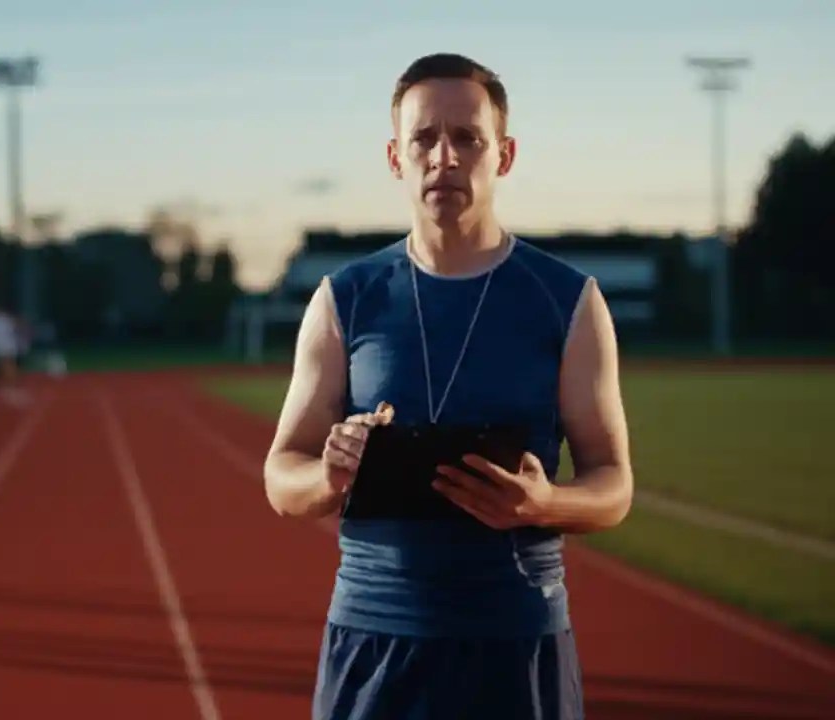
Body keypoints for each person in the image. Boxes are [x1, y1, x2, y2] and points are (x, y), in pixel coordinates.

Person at [263, 53, 633, 719]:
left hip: (516, 643)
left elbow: (614, 486)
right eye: (424, 139)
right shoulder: (345, 300)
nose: (445, 157)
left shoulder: (569, 301)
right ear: (395, 156)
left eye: (467, 138)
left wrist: (542, 503)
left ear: (505, 154)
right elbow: (280, 477)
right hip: (375, 642)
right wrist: (331, 476)